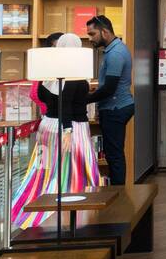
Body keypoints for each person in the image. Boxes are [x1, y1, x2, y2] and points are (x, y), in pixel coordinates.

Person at [11, 32, 100, 228]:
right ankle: (72, 214)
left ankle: (36, 205)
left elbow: (42, 96)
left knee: (44, 169)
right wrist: (67, 131)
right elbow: (66, 107)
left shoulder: (48, 74)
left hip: (48, 126)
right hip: (71, 127)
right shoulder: (74, 75)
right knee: (74, 169)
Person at [86, 14, 134, 186]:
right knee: (114, 153)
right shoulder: (114, 50)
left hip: (116, 108)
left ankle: (119, 194)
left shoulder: (116, 53)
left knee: (114, 155)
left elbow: (109, 88)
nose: (90, 38)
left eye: (92, 34)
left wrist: (85, 100)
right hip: (117, 106)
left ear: (105, 32)